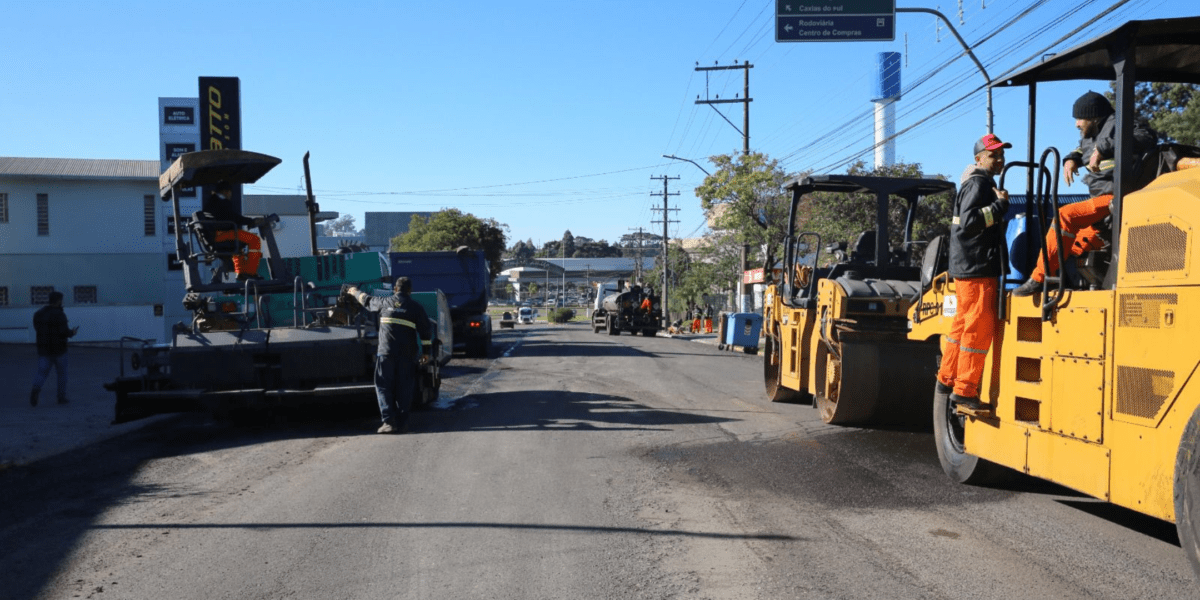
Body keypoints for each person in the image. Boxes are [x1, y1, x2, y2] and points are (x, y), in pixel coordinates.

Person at [1013, 91, 1157, 296]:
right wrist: (1071, 158)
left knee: (1065, 216)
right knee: (1078, 242)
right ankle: (1081, 282)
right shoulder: (1090, 135)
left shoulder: (1122, 123)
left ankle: (1039, 278)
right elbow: (1082, 150)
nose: (1076, 124)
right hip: (1103, 203)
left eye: (1080, 119)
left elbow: (1148, 139)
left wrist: (1105, 147)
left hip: (1120, 197)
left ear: (1094, 117)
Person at [936, 133, 1012, 413]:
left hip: (968, 267)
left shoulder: (972, 183)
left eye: (1002, 155)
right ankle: (964, 390)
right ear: (979, 159)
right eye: (994, 155)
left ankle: (946, 378)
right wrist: (999, 206)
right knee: (977, 329)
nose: (1000, 160)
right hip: (977, 267)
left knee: (961, 326)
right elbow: (969, 223)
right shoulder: (980, 185)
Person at [344, 277, 432, 434]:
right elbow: (426, 331)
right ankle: (403, 423)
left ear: (395, 289)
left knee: (384, 386)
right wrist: (426, 353)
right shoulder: (416, 307)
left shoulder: (384, 302)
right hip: (407, 355)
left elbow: (366, 300)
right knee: (404, 387)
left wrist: (354, 292)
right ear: (410, 291)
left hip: (386, 353)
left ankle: (389, 422)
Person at [197, 181, 264, 281]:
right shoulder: (222, 202)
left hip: (216, 234)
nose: (230, 195)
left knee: (239, 244)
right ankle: (250, 272)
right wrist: (251, 221)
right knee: (254, 240)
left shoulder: (211, 202)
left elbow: (229, 217)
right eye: (230, 192)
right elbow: (234, 217)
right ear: (226, 192)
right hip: (222, 234)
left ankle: (241, 273)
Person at [30, 291, 78, 406]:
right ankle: (61, 397)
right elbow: (64, 332)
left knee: (41, 373)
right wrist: (72, 332)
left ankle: (35, 389)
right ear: (58, 300)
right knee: (62, 374)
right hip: (59, 350)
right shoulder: (60, 314)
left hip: (44, 349)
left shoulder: (39, 313)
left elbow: (37, 328)